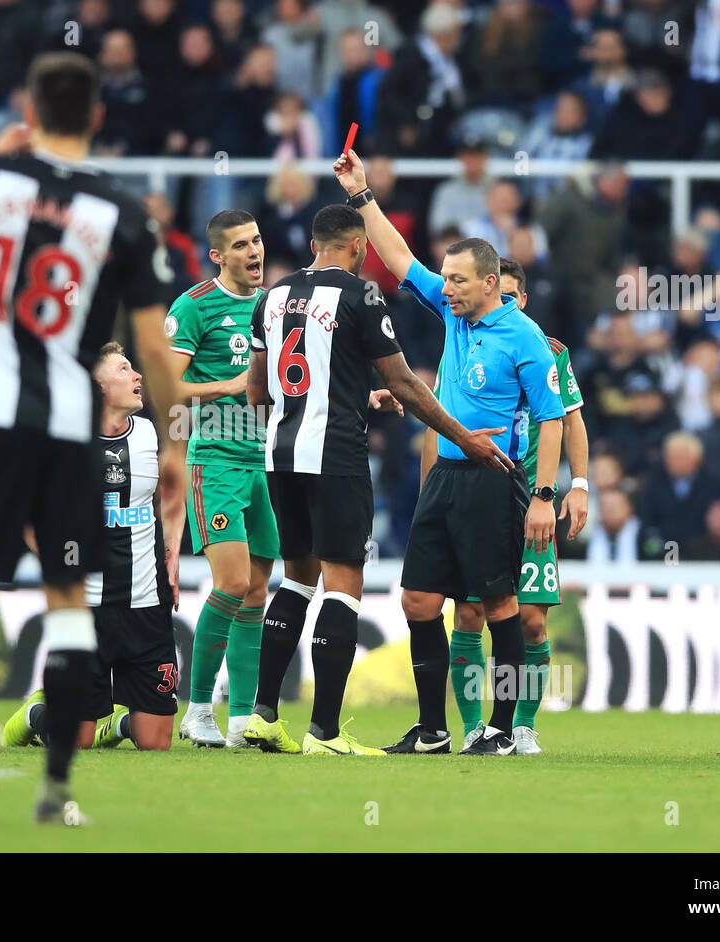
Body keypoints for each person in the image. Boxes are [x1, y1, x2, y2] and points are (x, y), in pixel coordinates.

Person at [0, 53, 185, 826]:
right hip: (69, 427)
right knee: (68, 599)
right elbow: (152, 344)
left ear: (28, 109)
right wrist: (174, 444)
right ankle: (56, 790)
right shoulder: (123, 211)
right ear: (99, 117)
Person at [241, 204, 510, 757]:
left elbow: (259, 393)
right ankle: (325, 733)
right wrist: (463, 438)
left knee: (295, 582)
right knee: (342, 587)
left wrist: (345, 394)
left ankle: (262, 716)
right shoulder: (361, 295)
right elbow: (405, 383)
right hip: (336, 457)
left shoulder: (271, 296)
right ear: (359, 246)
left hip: (280, 456)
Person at [332, 147, 565, 758]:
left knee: (498, 604)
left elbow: (552, 421)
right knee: (419, 599)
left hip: (497, 478)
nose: (447, 289)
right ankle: (434, 730)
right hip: (444, 473)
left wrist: (545, 496)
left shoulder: (526, 338)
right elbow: (400, 260)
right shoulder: (456, 316)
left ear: (490, 283)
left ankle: (504, 728)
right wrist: (362, 196)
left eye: (457, 280)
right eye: (447, 279)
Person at [1, 343, 184, 752]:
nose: (137, 376)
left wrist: (171, 550)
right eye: (124, 369)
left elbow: (174, 492)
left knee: (155, 744)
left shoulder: (153, 431)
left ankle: (117, 724)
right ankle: (36, 714)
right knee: (75, 742)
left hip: (145, 604)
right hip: (88, 607)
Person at [444, 258, 590, 756]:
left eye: (509, 296)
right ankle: (471, 726)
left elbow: (569, 420)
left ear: (521, 300)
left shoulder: (550, 352)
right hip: (473, 495)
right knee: (468, 613)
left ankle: (521, 724)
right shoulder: (463, 339)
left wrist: (580, 485)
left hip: (531, 503)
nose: (499, 304)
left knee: (531, 620)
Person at [166, 210, 278, 749]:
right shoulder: (194, 306)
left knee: (257, 592)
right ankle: (197, 709)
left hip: (265, 463)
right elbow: (167, 387)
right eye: (241, 245)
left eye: (257, 241)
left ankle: (241, 723)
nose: (254, 252)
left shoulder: (272, 306)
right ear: (218, 255)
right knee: (231, 584)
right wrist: (229, 384)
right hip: (214, 459)